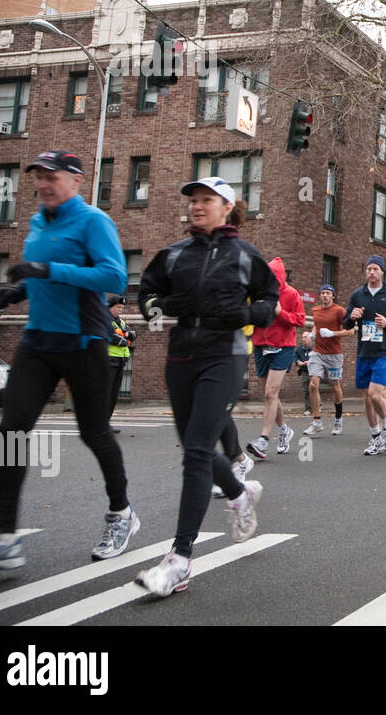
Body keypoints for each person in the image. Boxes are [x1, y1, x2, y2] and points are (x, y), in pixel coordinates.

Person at [0, 151, 137, 574]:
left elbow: (114, 279)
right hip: (37, 342)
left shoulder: (94, 221)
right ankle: (5, 538)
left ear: (75, 180)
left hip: (84, 341)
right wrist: (17, 291)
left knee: (94, 432)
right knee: (11, 432)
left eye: (51, 176)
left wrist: (46, 269)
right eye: (38, 176)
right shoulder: (38, 221)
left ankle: (121, 513)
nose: (43, 183)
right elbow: (41, 276)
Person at [129, 176, 275, 596]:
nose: (197, 205)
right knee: (196, 447)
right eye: (193, 199)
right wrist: (164, 307)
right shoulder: (174, 255)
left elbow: (270, 298)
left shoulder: (246, 255)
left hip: (223, 357)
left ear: (227, 207)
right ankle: (239, 492)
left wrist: (249, 312)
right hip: (181, 358)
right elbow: (148, 295)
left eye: (206, 200)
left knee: (194, 454)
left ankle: (179, 560)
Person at [344, 256, 386, 456]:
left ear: (382, 272)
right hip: (364, 351)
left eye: (375, 269)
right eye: (369, 269)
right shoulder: (358, 295)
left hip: (384, 351)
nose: (371, 273)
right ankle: (375, 437)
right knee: (366, 398)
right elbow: (346, 323)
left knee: (375, 393)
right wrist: (352, 318)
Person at [245, 258, 305, 459]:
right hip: (261, 346)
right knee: (270, 395)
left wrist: (281, 313)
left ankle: (263, 439)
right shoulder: (258, 294)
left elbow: (300, 320)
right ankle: (285, 430)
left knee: (271, 393)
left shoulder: (291, 294)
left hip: (283, 347)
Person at [303, 284, 351, 436]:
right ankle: (316, 421)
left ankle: (338, 419)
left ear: (333, 296)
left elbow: (350, 331)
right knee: (313, 385)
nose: (324, 295)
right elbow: (316, 327)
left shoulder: (339, 311)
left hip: (334, 355)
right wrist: (312, 335)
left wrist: (332, 333)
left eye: (327, 293)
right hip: (317, 353)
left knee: (335, 386)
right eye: (322, 293)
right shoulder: (315, 310)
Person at [106, 295, 137, 434]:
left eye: (122, 308)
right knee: (106, 393)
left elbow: (132, 334)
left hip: (120, 361)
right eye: (118, 307)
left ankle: (106, 422)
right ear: (110, 307)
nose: (120, 310)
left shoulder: (121, 322)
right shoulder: (105, 320)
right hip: (109, 360)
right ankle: (100, 423)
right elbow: (112, 337)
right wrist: (126, 338)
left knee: (113, 395)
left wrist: (126, 336)